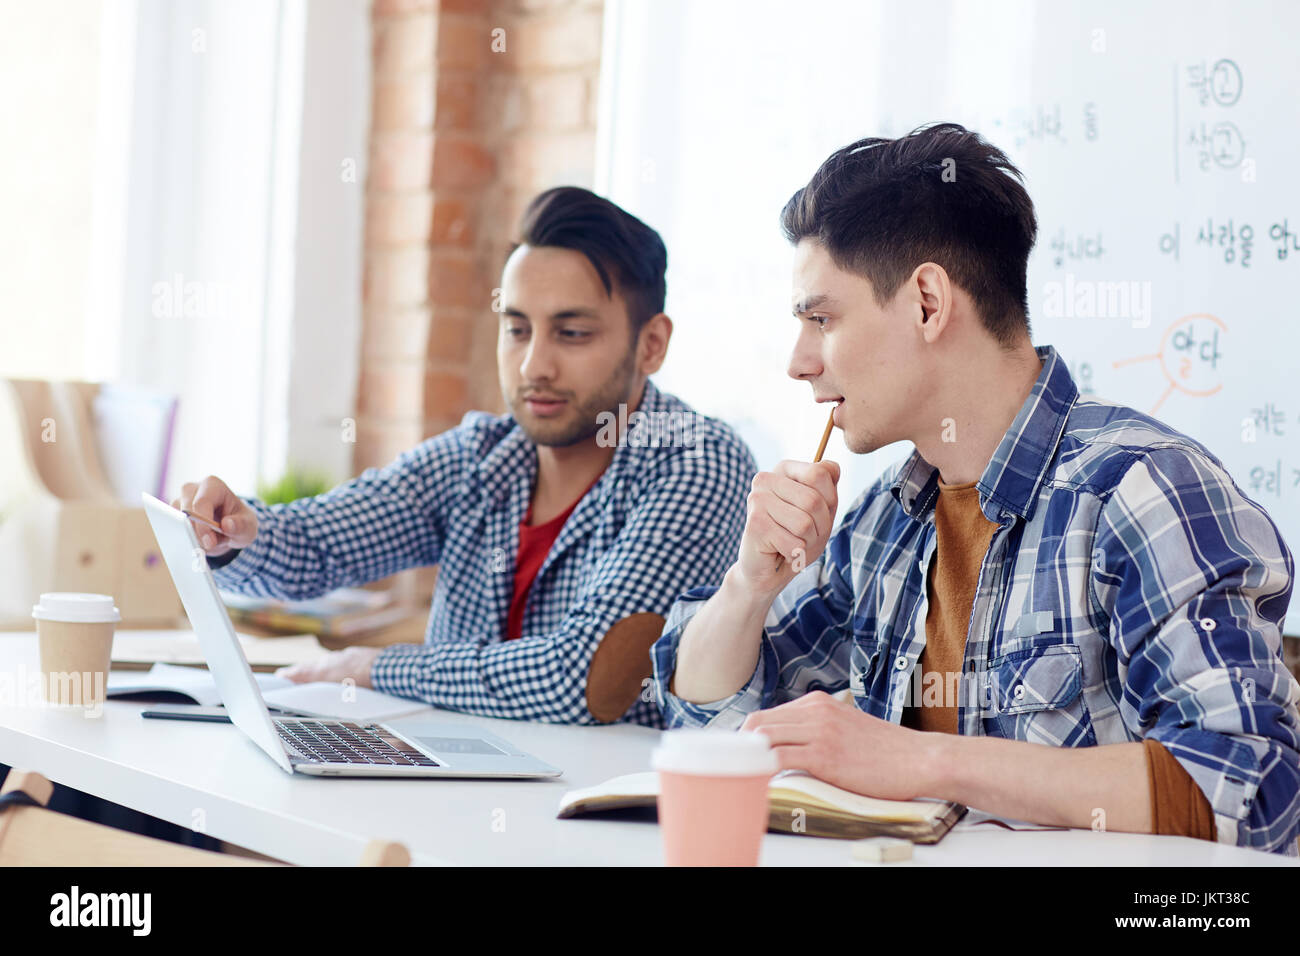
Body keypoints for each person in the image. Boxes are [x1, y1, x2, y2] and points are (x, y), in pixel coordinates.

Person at [651, 123, 1300, 853]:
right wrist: (747, 586)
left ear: (928, 302)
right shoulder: (885, 524)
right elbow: (707, 721)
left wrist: (922, 762)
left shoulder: (1141, 490)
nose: (799, 362)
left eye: (822, 319)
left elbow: (1254, 784)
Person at [176, 187, 756, 726]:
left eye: (572, 333)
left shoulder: (696, 460)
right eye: (518, 329)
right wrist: (238, 533)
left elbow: (583, 679)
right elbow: (321, 542)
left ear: (651, 344)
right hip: (455, 790)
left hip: (605, 812)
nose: (534, 367)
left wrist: (374, 669)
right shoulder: (482, 455)